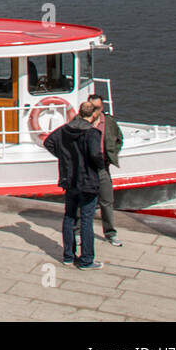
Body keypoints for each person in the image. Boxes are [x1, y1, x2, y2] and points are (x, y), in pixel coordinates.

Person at [44, 100, 106, 269]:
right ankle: (86, 259)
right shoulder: (92, 133)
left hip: (69, 179)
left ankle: (68, 256)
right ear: (93, 114)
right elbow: (95, 154)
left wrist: (64, 157)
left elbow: (48, 142)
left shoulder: (65, 129)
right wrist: (100, 165)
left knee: (69, 216)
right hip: (87, 180)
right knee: (86, 219)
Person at [88, 93, 124, 248]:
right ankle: (77, 232)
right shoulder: (82, 122)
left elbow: (119, 139)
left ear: (102, 107)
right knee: (82, 201)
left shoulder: (109, 122)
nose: (95, 111)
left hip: (102, 167)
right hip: (86, 169)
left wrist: (111, 155)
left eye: (97, 108)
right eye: (91, 108)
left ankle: (110, 233)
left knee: (107, 201)